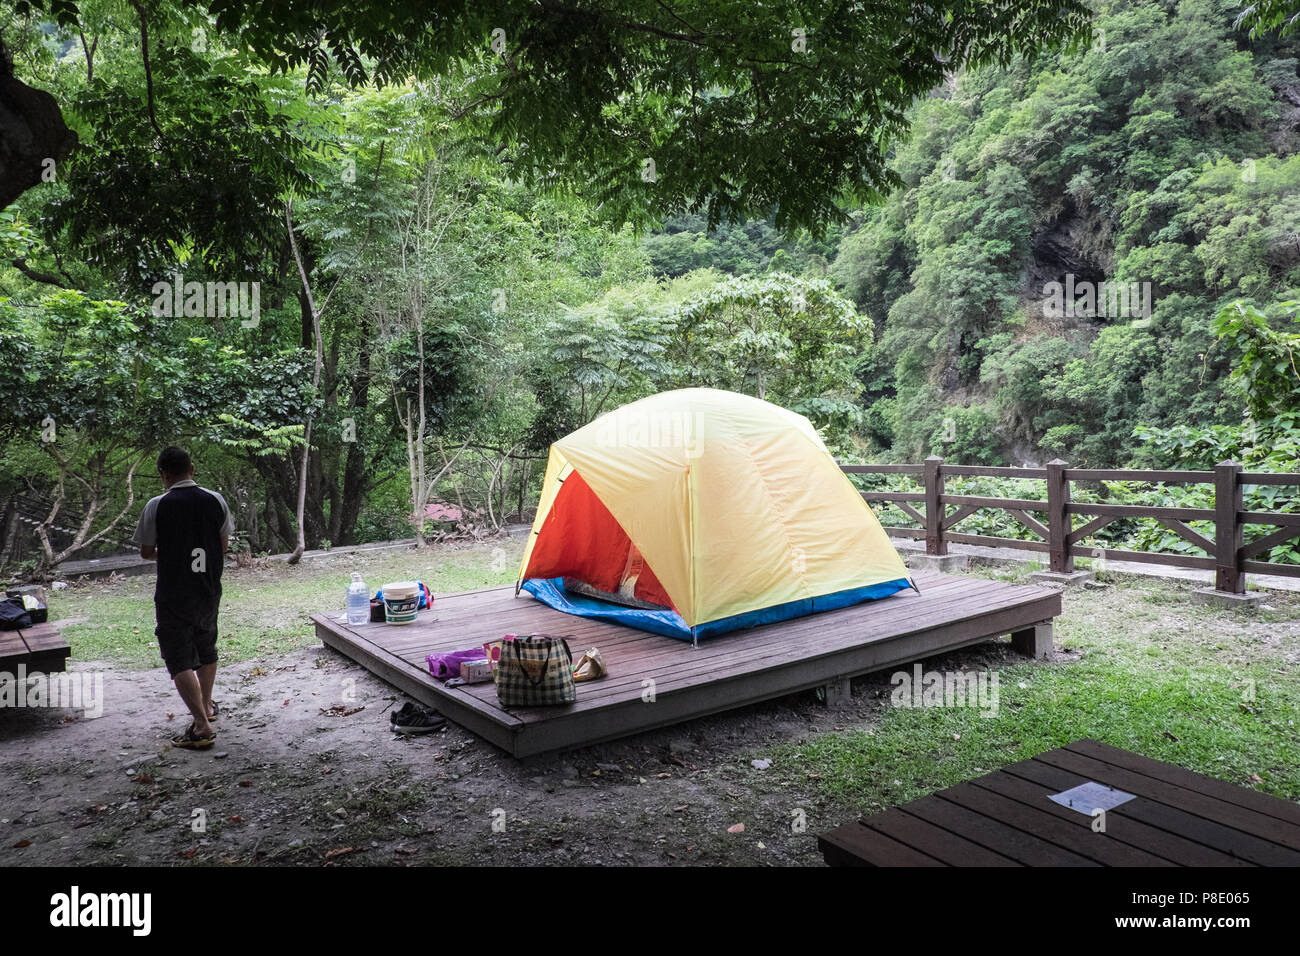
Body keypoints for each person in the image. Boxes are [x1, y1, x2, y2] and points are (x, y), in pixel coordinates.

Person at [131, 446, 234, 749]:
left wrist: (173, 554)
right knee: (206, 646)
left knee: (178, 656)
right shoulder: (215, 500)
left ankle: (201, 725)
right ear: (192, 469)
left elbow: (146, 551)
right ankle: (207, 705)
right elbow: (223, 546)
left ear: (164, 475)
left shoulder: (157, 505)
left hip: (173, 592)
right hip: (208, 588)